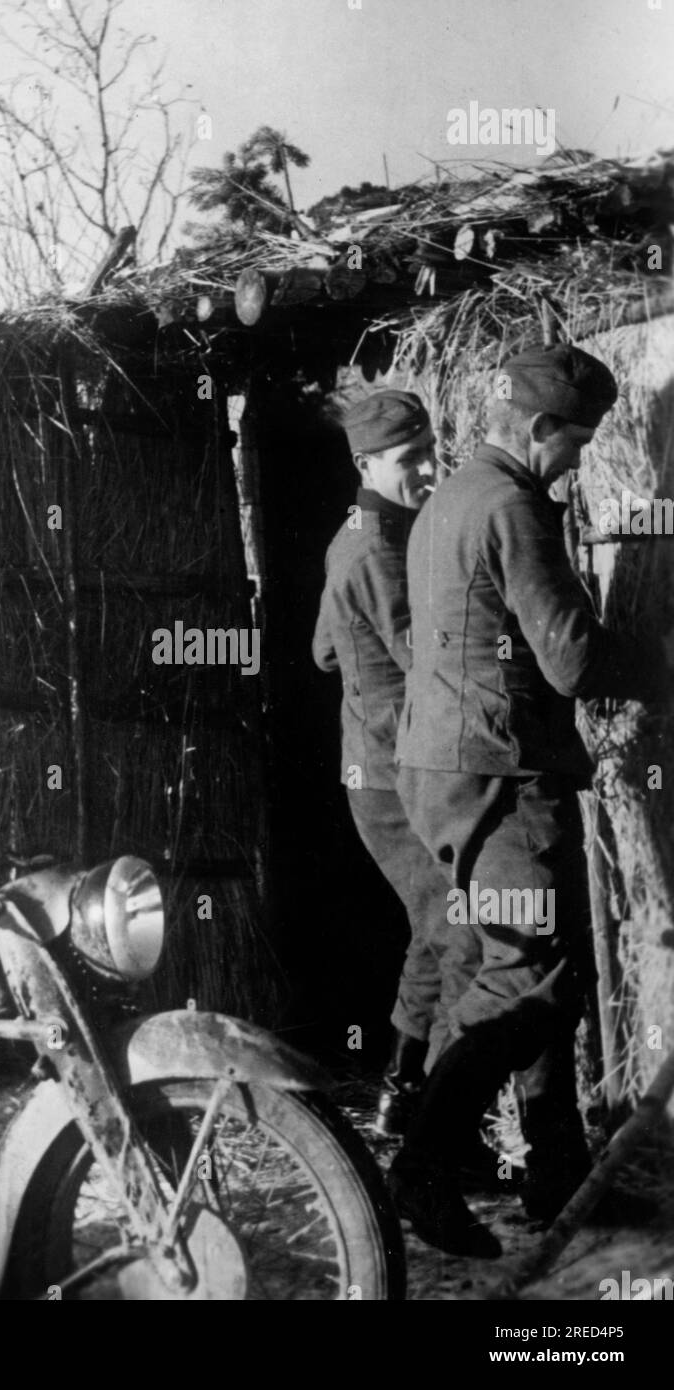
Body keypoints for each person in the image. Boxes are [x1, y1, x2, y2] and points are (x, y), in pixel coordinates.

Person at [390, 344, 663, 1258]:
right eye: (576, 443)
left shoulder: (449, 499)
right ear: (540, 428)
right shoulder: (512, 507)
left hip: (445, 773)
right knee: (533, 975)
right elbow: (574, 659)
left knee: (533, 962)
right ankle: (420, 1165)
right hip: (501, 779)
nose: (580, 461)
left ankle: (555, 1176)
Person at [312, 389, 452, 1134]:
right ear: (367, 463)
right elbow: (423, 660)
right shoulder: (375, 548)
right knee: (456, 927)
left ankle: (405, 1094)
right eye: (410, 460)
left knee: (442, 922)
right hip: (391, 775)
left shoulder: (361, 536)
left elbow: (324, 650)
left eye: (431, 452)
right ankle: (434, 1116)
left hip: (386, 761)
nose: (429, 470)